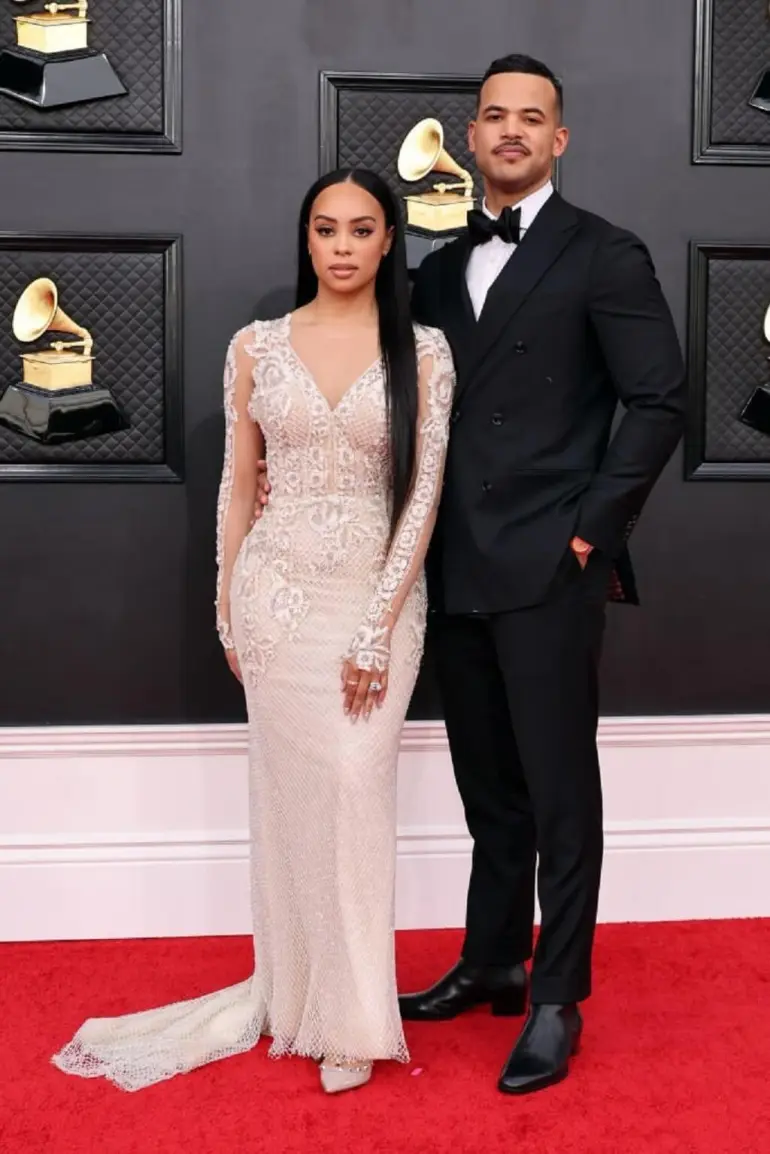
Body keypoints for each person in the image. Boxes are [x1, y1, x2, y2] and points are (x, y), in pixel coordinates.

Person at [253, 53, 686, 1095]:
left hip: (550, 565)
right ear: (471, 136)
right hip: (448, 568)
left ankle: (555, 997)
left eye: (531, 117)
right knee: (487, 788)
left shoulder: (605, 253)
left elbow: (659, 401)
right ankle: (492, 958)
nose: (511, 131)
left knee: (559, 792)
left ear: (557, 139)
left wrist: (588, 534)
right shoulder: (438, 272)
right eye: (494, 116)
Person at [50, 168, 455, 1095]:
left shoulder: (425, 351)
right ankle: (302, 993)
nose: (343, 245)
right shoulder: (256, 346)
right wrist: (225, 604)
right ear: (306, 238)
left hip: (376, 601)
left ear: (389, 240)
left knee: (355, 790)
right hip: (274, 603)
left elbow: (423, 494)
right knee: (292, 806)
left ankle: (353, 1019)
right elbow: (238, 489)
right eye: (326, 228)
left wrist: (375, 627)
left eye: (362, 228)